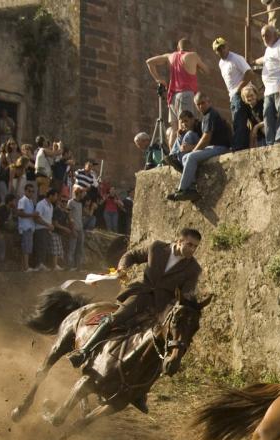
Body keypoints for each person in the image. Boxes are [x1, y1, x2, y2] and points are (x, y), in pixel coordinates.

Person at [69, 229, 203, 367]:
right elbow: (132, 255)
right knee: (116, 318)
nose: (192, 249)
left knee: (166, 338)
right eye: (189, 244)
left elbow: (186, 295)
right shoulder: (157, 248)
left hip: (162, 308)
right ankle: (84, 351)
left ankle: (165, 366)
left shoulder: (194, 269)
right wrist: (122, 268)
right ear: (179, 241)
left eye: (195, 246)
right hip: (140, 295)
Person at [168, 93, 232, 202]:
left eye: (203, 103)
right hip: (212, 147)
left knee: (190, 156)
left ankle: (182, 189)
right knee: (185, 157)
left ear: (209, 102)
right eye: (198, 104)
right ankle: (192, 187)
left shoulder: (211, 114)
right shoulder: (205, 116)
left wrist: (193, 150)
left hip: (221, 147)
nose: (201, 106)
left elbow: (206, 138)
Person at [146, 38, 207, 143]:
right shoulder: (192, 55)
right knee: (187, 125)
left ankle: (172, 155)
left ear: (178, 48)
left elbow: (149, 62)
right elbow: (207, 70)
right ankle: (183, 152)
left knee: (174, 129)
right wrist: (197, 66)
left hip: (173, 97)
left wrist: (158, 79)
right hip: (187, 94)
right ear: (191, 48)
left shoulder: (170, 56)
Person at [212, 37, 257, 151]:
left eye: (222, 47)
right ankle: (243, 145)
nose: (221, 50)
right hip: (233, 95)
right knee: (239, 120)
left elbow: (250, 73)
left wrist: (238, 89)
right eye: (218, 49)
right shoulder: (221, 63)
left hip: (241, 93)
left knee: (239, 120)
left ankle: (238, 146)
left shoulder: (236, 58)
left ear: (227, 46)